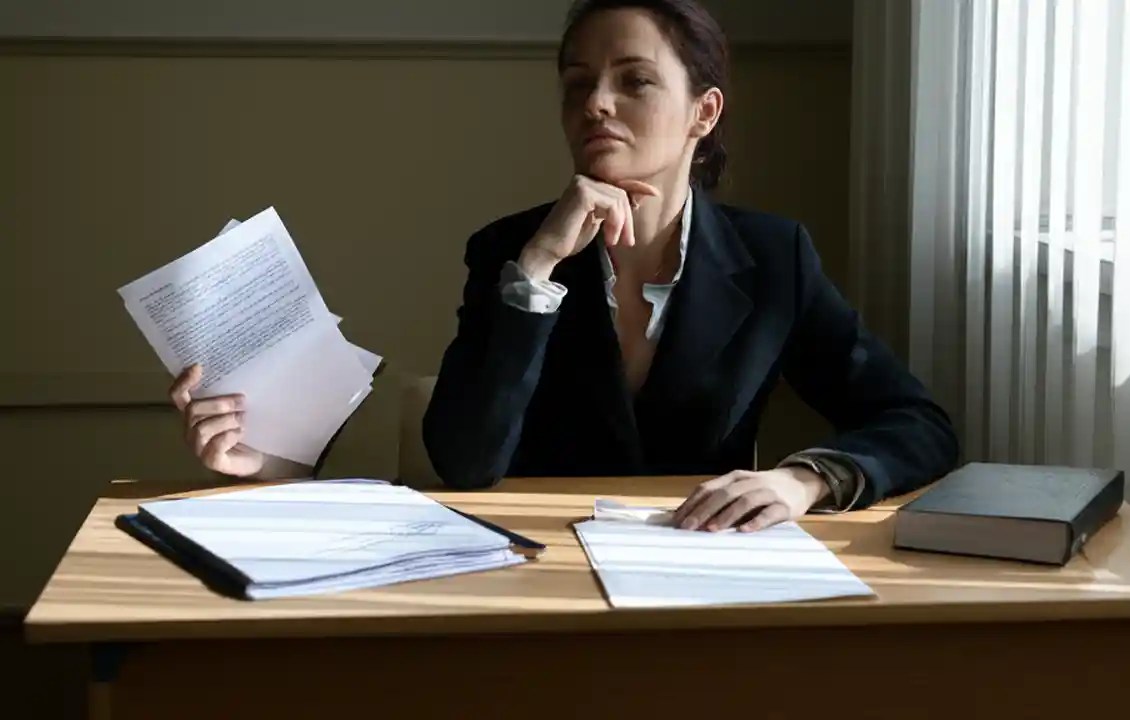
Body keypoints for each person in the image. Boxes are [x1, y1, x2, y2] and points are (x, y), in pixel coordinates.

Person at [168, 0, 959, 533]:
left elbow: (917, 425)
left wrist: (804, 481)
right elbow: (466, 463)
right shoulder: (506, 250)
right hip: (537, 570)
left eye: (634, 81)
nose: (596, 104)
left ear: (703, 113)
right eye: (577, 84)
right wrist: (538, 268)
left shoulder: (774, 257)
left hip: (700, 582)